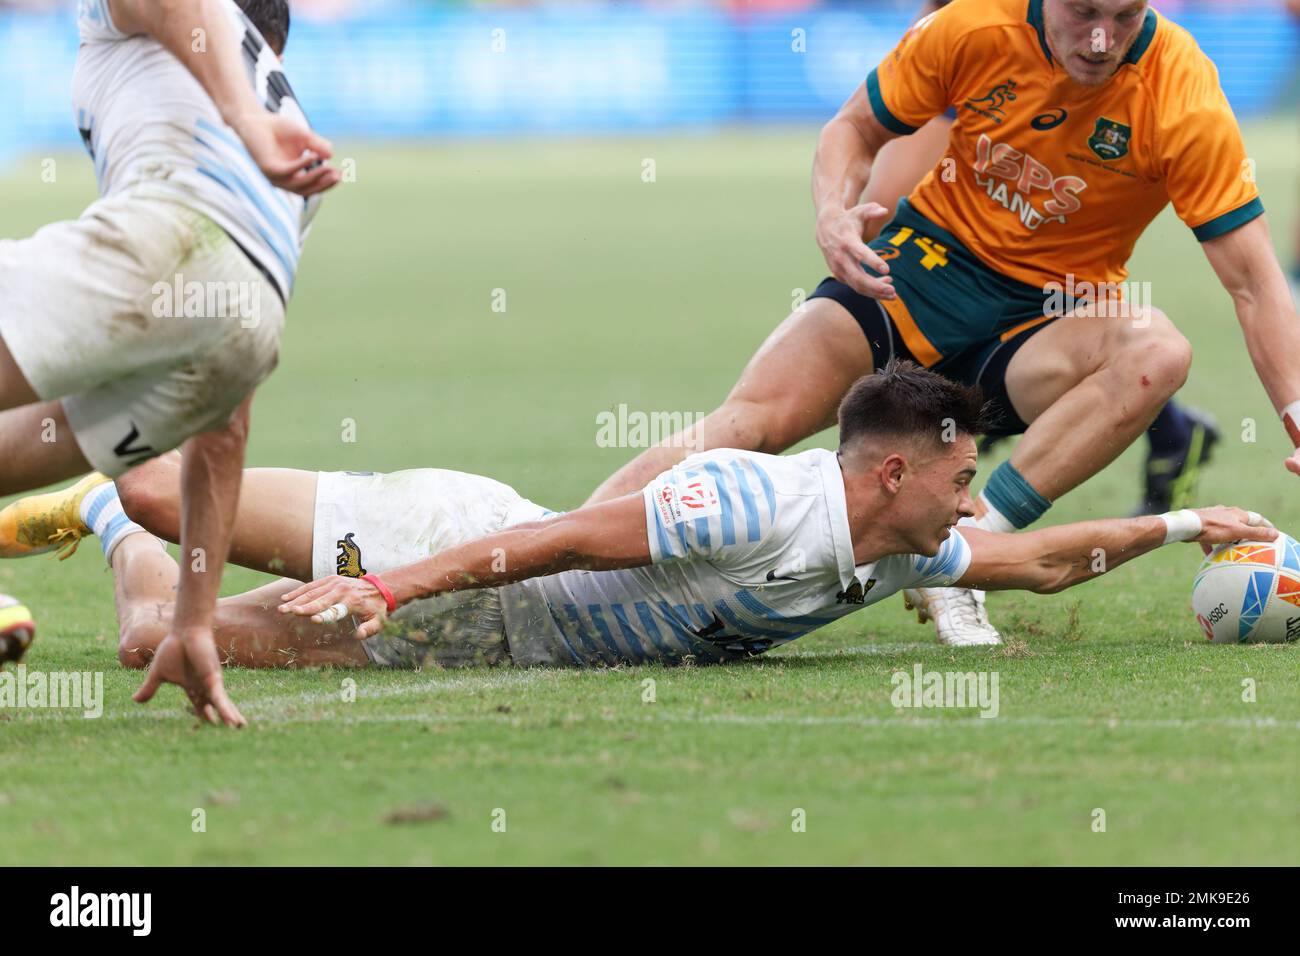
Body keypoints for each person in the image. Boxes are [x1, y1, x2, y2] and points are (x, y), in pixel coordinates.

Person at [584, 0, 1300, 650]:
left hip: (1044, 319)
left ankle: (963, 559)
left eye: (1122, 15)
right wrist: (834, 210)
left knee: (1158, 350)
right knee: (750, 426)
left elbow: (1253, 279)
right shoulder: (971, 26)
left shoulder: (1183, 92)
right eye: (1083, 13)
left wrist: (1298, 414)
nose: (1102, 38)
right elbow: (855, 127)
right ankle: (553, 548)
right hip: (913, 275)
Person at [0, 363, 1269, 670]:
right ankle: (101, 484)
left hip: (481, 635)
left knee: (150, 642)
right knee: (166, 483)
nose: (968, 497)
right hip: (439, 551)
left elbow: (1038, 563)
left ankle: (101, 521)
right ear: (890, 471)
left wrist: (1179, 525)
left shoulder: (906, 546)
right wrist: (388, 587)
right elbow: (548, 540)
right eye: (958, 473)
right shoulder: (743, 502)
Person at [0, 0, 341, 725]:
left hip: (177, 241)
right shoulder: (289, 137)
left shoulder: (225, 82)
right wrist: (192, 619)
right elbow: (229, 420)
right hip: (240, 333)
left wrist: (246, 121)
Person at [865, 0, 1220, 518]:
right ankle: (1171, 432)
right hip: (977, 63)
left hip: (1019, 81)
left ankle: (1160, 430)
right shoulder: (966, 30)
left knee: (1041, 272)